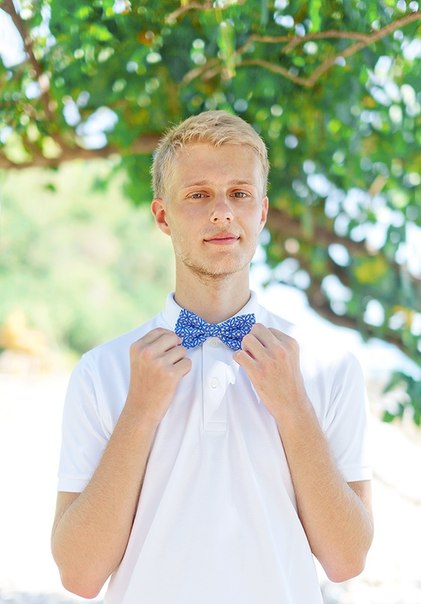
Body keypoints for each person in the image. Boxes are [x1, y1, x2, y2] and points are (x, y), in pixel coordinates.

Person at [51, 110, 373, 604]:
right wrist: (139, 412)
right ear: (163, 216)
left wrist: (294, 408)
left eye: (239, 194)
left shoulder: (329, 367)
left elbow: (347, 560)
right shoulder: (103, 371)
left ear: (261, 212)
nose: (222, 212)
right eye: (198, 195)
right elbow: (79, 575)